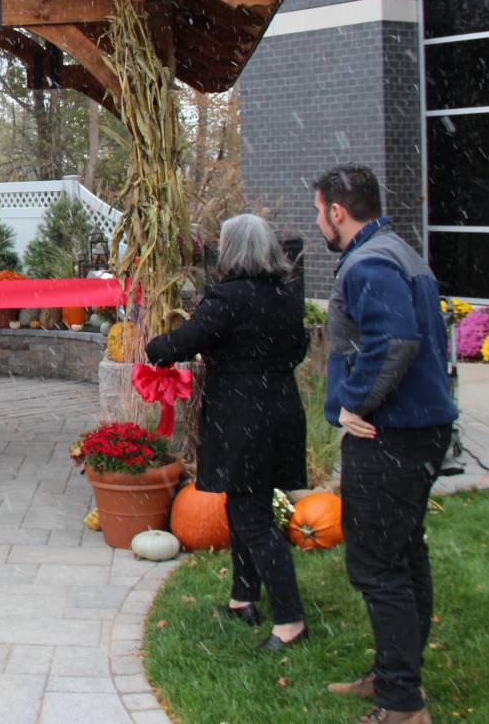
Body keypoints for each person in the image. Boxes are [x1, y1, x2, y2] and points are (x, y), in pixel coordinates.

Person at [313, 164, 457, 724]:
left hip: (393, 434)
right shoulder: (397, 250)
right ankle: (398, 672)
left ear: (338, 212)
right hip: (418, 428)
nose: (320, 221)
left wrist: (354, 403)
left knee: (376, 563)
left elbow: (395, 340)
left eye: (320, 210)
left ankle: (401, 704)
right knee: (403, 551)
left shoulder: (371, 262)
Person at [144, 214, 311, 651]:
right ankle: (242, 599)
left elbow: (184, 341)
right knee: (244, 507)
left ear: (232, 251)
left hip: (243, 417)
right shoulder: (286, 295)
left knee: (252, 519)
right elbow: (298, 350)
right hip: (281, 410)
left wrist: (154, 348)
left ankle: (291, 621)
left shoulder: (227, 298)